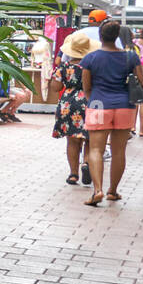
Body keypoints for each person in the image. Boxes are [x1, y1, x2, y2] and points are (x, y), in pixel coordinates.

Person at [81, 18, 143, 205]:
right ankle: (113, 191)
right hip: (125, 106)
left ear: (100, 36)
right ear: (117, 35)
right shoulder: (130, 57)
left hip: (98, 104)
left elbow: (86, 87)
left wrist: (93, 101)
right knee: (119, 151)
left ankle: (97, 190)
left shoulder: (90, 58)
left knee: (96, 149)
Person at [52, 32, 93, 184]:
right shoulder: (93, 66)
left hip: (68, 104)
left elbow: (56, 87)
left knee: (72, 140)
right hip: (90, 101)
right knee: (90, 139)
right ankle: (86, 163)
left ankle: (73, 174)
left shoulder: (64, 67)